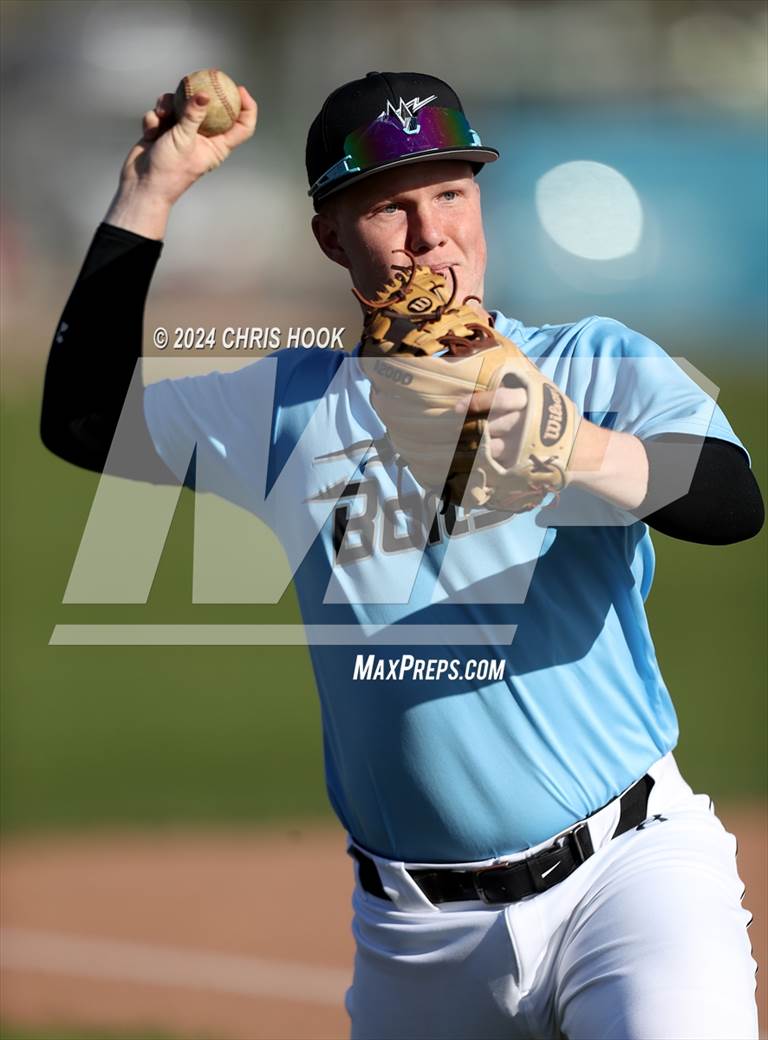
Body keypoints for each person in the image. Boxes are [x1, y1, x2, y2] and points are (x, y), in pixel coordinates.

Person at [41, 70, 763, 1039]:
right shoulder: (290, 408)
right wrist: (150, 191)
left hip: (628, 881)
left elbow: (729, 496)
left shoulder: (587, 361)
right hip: (415, 939)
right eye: (390, 206)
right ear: (331, 238)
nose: (432, 234)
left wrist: (573, 446)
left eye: (451, 193)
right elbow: (86, 417)